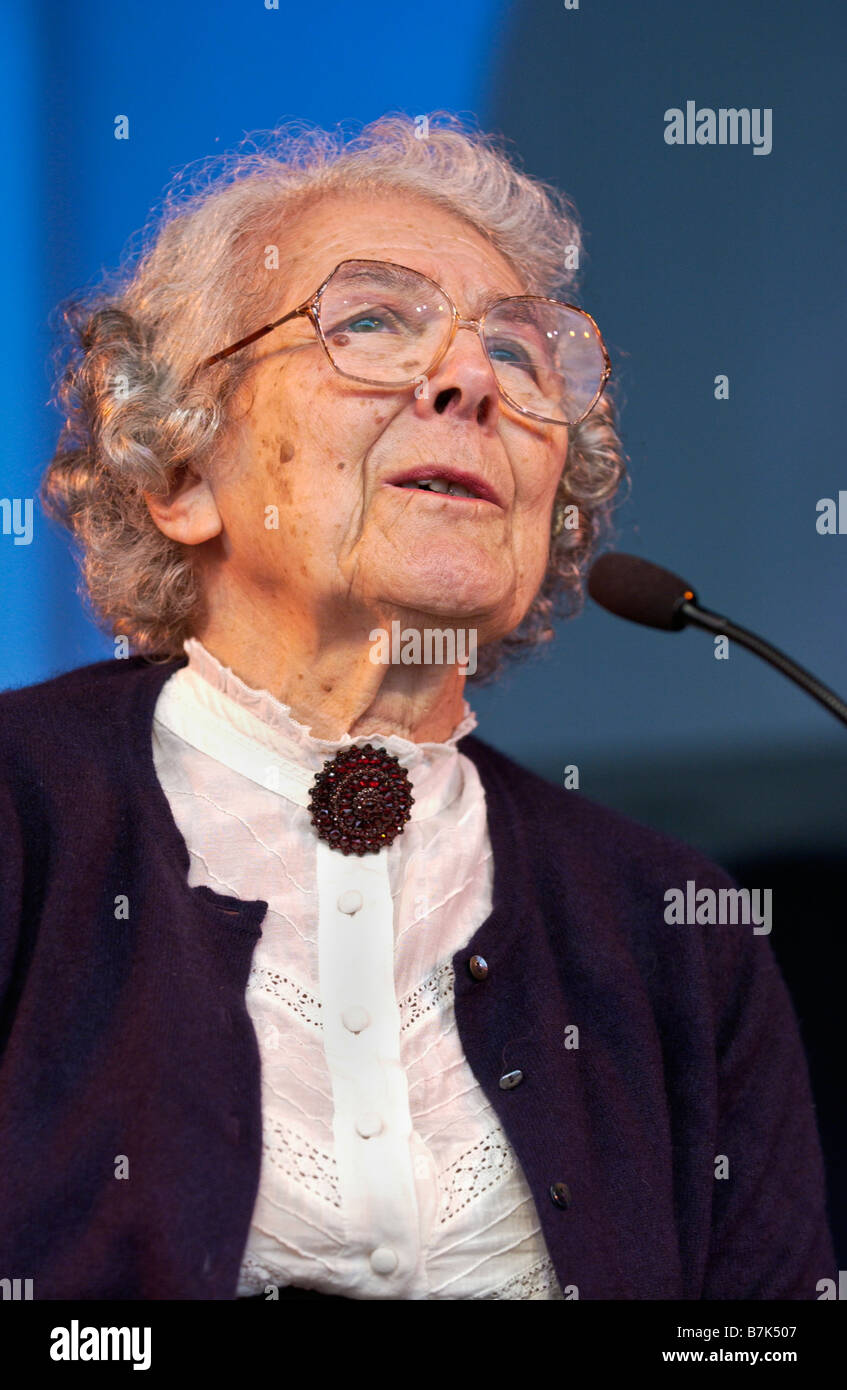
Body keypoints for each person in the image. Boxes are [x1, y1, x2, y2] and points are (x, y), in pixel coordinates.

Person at [0, 112, 834, 1300]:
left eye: (519, 358)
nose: (467, 383)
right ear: (181, 470)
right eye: (372, 322)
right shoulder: (25, 815)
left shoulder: (675, 932)